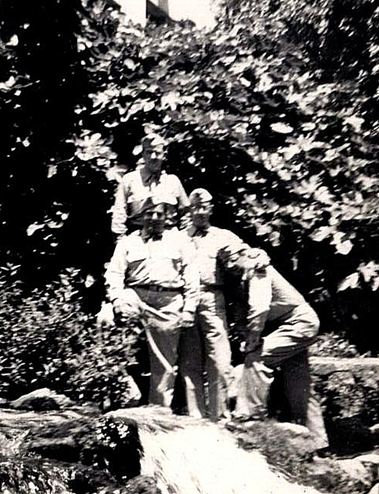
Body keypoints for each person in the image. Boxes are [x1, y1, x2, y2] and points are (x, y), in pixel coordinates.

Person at [220, 245, 329, 449]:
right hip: (288, 325)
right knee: (299, 383)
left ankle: (248, 417)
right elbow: (243, 317)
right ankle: (318, 442)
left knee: (257, 358)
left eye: (232, 259)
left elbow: (259, 308)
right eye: (225, 262)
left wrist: (252, 340)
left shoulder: (256, 269)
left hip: (298, 323)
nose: (229, 265)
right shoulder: (239, 279)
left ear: (244, 255)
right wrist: (247, 334)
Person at [101, 199, 198, 410]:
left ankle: (158, 410)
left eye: (159, 214)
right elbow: (115, 274)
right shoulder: (128, 242)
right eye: (149, 214)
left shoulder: (180, 241)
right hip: (136, 295)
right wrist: (117, 299)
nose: (154, 218)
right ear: (140, 217)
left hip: (168, 302)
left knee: (165, 362)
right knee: (107, 318)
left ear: (167, 217)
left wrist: (190, 308)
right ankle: (118, 395)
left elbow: (191, 276)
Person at [179, 188, 256, 420]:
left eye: (205, 207)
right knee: (189, 358)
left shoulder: (224, 236)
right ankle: (195, 415)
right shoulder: (179, 237)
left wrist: (258, 255)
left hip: (214, 298)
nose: (200, 212)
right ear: (190, 210)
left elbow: (247, 253)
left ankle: (219, 415)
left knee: (219, 357)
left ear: (211, 209)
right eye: (196, 207)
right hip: (186, 300)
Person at [110, 135, 189, 236]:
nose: (153, 157)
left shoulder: (173, 181)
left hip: (169, 237)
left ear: (164, 155)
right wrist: (121, 239)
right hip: (138, 237)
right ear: (143, 154)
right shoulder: (129, 180)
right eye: (149, 152)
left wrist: (183, 240)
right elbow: (119, 214)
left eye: (157, 153)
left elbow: (186, 215)